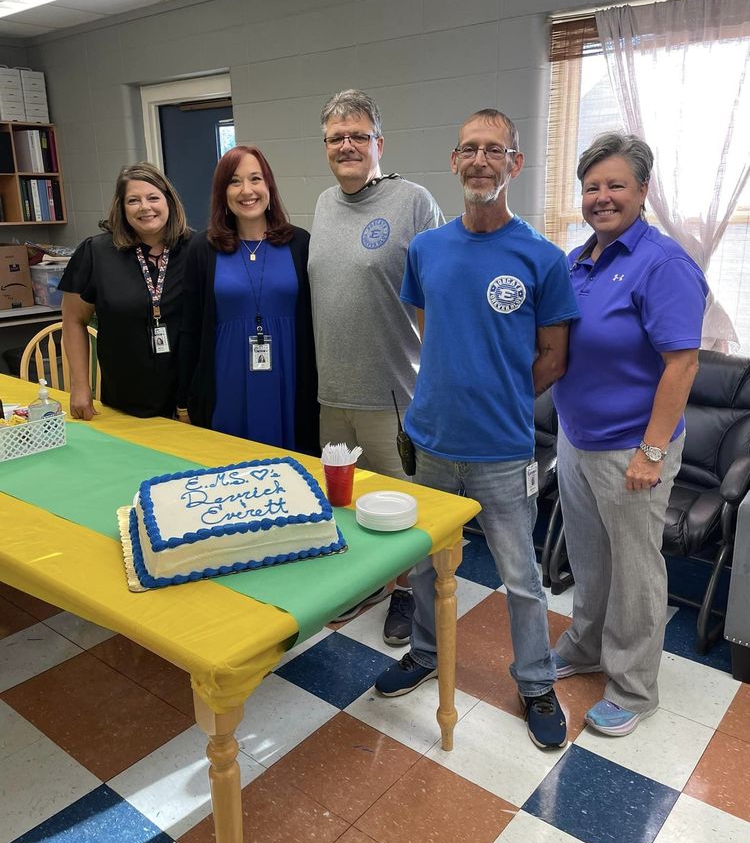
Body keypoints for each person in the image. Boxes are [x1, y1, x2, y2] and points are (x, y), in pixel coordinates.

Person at [374, 108, 579, 750]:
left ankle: (536, 682)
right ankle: (426, 653)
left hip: (502, 449)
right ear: (455, 161)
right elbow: (430, 331)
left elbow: (554, 357)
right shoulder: (428, 249)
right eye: (469, 149)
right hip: (432, 442)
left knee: (520, 577)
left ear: (515, 163)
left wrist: (499, 395)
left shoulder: (542, 257)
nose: (480, 161)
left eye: (494, 150)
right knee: (428, 564)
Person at [551, 132, 708, 737]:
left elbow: (682, 365)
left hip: (632, 447)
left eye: (615, 185)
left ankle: (635, 688)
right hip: (577, 438)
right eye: (591, 187)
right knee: (589, 558)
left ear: (643, 190)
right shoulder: (578, 260)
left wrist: (651, 451)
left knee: (636, 570)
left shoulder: (663, 264)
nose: (602, 197)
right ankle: (587, 647)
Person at [308, 88, 444, 644]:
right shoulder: (323, 204)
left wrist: (437, 381)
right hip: (333, 393)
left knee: (402, 506)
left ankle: (408, 594)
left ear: (379, 144)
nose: (346, 146)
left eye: (358, 136)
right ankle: (370, 582)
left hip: (394, 392)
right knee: (348, 501)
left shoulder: (413, 202)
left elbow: (439, 295)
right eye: (336, 137)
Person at [177, 145, 318, 455]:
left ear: (269, 185)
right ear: (222, 192)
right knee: (230, 463)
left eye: (255, 179)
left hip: (290, 380)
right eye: (234, 181)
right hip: (227, 381)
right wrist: (184, 399)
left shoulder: (300, 243)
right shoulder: (202, 249)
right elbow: (190, 330)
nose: (247, 191)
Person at [60, 163, 191, 419]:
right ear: (121, 207)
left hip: (189, 402)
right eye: (133, 200)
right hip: (125, 402)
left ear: (169, 201)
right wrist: (80, 385)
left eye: (153, 197)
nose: (145, 207)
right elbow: (73, 319)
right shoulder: (96, 252)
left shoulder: (197, 249)